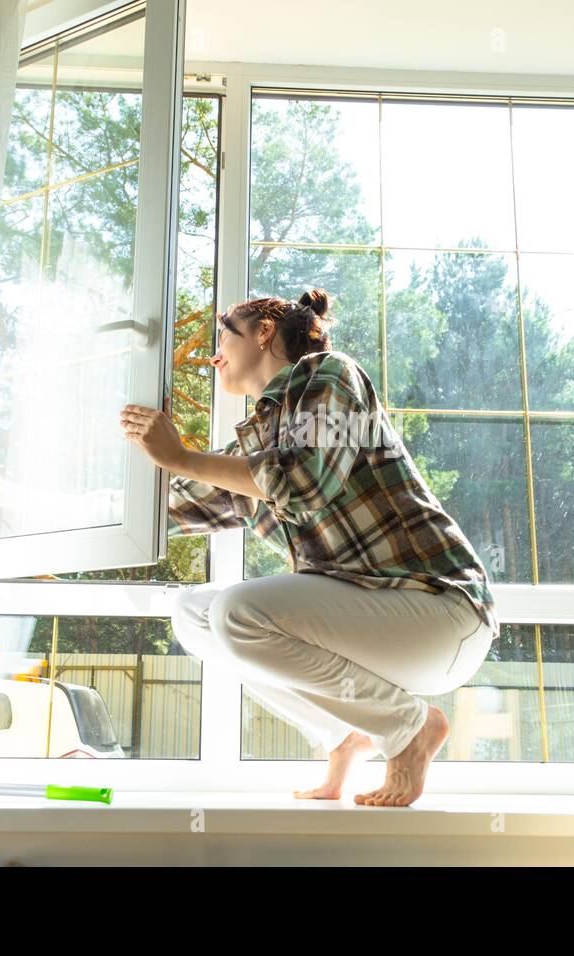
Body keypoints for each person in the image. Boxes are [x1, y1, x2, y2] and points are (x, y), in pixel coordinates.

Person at [118, 289, 499, 807]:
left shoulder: (330, 374)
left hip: (440, 612)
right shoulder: (254, 452)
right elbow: (164, 510)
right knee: (193, 613)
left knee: (236, 612)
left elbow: (301, 484)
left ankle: (409, 729)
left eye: (222, 335)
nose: (212, 354)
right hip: (382, 633)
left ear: (264, 331)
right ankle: (345, 735)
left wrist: (180, 456)